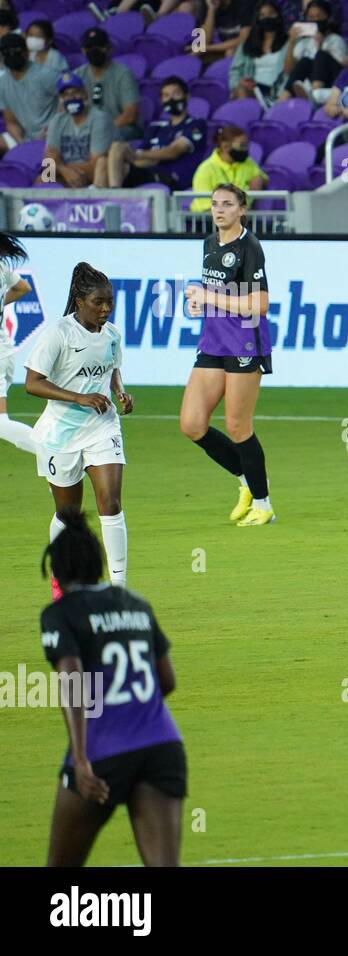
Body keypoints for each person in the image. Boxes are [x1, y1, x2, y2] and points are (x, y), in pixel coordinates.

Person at [40, 512, 186, 867]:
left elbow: (73, 682)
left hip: (103, 752)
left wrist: (80, 759)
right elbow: (166, 681)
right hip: (161, 746)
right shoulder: (136, 604)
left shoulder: (61, 613)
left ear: (58, 570)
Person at [24, 262, 132, 593]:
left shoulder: (112, 334)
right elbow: (32, 383)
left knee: (111, 503)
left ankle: (118, 587)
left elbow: (112, 368)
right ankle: (60, 576)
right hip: (61, 434)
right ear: (79, 300)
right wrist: (78, 397)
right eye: (98, 302)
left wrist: (120, 392)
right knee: (68, 515)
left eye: (109, 302)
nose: (105, 309)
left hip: (102, 427)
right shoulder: (58, 334)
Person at [180, 184, 276, 527]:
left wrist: (209, 297)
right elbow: (215, 293)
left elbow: (260, 304)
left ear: (242, 209)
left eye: (227, 205)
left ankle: (264, 504)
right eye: (214, 204)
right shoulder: (209, 243)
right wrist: (198, 302)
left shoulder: (250, 247)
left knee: (237, 425)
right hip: (213, 342)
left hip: (244, 344)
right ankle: (246, 482)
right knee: (192, 424)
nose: (219, 210)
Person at [96, 77, 208, 189]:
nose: (171, 99)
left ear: (187, 97)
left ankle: (114, 194)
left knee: (118, 148)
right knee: (103, 162)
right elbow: (139, 162)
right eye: (166, 96)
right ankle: (98, 203)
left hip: (171, 177)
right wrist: (144, 157)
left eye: (176, 94)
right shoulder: (155, 127)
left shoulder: (196, 125)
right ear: (161, 100)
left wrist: (138, 154)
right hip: (147, 173)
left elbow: (172, 152)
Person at [0, 232, 38, 457]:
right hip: (4, 352)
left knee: (1, 423)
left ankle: (52, 453)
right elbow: (24, 287)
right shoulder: (3, 270)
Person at [42, 74, 115, 188]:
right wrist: (64, 170)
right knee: (42, 180)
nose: (71, 98)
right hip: (65, 173)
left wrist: (60, 166)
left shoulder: (99, 118)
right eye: (66, 95)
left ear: (84, 94)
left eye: (75, 92)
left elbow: (96, 164)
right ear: (61, 99)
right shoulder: (57, 120)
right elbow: (48, 161)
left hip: (94, 176)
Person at [73, 27, 142, 142]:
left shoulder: (123, 74)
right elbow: (66, 110)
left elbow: (130, 115)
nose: (93, 50)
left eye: (98, 46)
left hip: (120, 128)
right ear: (83, 51)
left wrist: (100, 131)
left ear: (108, 48)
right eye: (89, 47)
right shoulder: (77, 75)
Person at [0, 32, 59, 149]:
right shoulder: (2, 83)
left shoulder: (46, 75)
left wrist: (51, 131)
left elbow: (67, 105)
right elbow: (11, 122)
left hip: (53, 135)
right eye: (7, 53)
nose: (12, 55)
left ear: (26, 52)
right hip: (27, 138)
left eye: (16, 51)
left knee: (49, 163)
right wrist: (22, 144)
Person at [281, 0, 348, 103]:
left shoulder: (336, 39)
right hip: (305, 88)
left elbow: (342, 71)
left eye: (319, 16)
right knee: (305, 61)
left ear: (328, 18)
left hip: (331, 86)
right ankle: (280, 103)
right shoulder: (304, 42)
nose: (315, 20)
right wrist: (291, 42)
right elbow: (288, 71)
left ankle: (315, 96)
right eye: (311, 17)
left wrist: (320, 46)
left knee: (321, 55)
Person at [189, 125, 268, 211]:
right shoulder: (205, 170)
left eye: (247, 145)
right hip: (207, 219)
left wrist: (259, 179)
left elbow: (261, 177)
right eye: (242, 145)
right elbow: (206, 207)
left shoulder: (247, 163)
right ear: (225, 146)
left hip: (239, 217)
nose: (246, 149)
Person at [229, 2, 292, 101]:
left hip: (276, 91)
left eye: (271, 13)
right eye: (262, 15)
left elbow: (290, 72)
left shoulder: (288, 42)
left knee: (241, 94)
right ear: (257, 19)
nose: (267, 17)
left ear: (279, 16)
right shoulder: (248, 43)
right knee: (241, 90)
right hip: (253, 87)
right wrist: (239, 82)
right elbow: (234, 71)